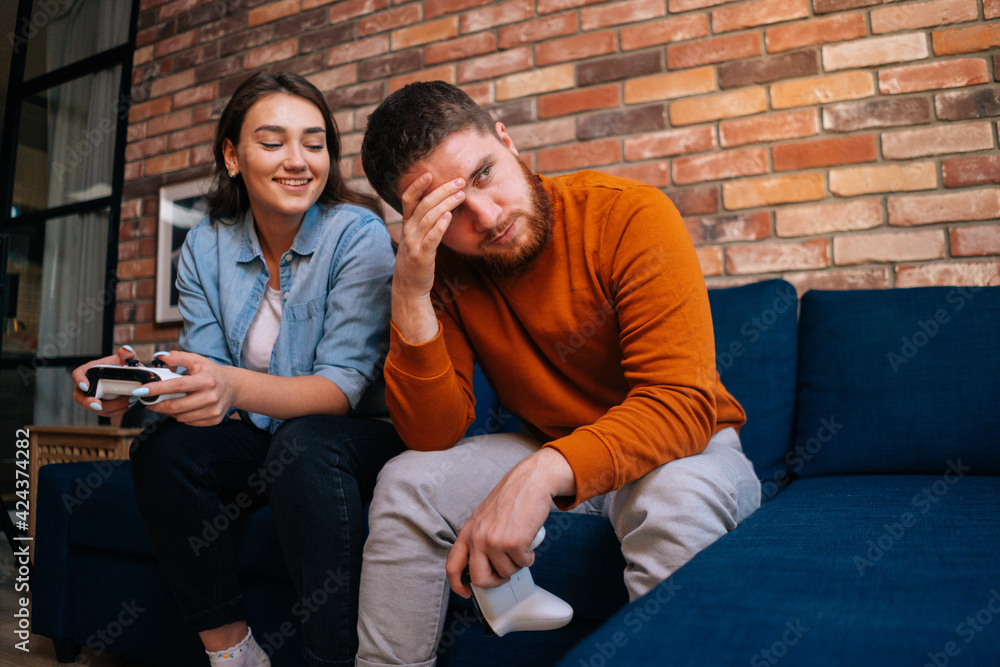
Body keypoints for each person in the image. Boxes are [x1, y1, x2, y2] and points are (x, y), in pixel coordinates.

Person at [355, 80, 762, 666]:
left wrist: (545, 471)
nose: (486, 217)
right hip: (553, 444)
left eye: (484, 174)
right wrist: (411, 293)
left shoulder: (628, 213)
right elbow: (431, 435)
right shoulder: (440, 269)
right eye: (450, 210)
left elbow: (681, 402)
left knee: (674, 496)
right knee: (406, 481)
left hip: (682, 450)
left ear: (507, 140)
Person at [72, 72, 404, 667]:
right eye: (273, 142)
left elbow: (341, 388)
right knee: (164, 450)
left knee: (304, 446)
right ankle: (233, 653)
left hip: (354, 436)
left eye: (314, 143)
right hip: (262, 433)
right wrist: (143, 385)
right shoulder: (205, 244)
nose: (298, 160)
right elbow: (210, 375)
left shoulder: (358, 234)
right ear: (233, 156)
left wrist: (227, 386)